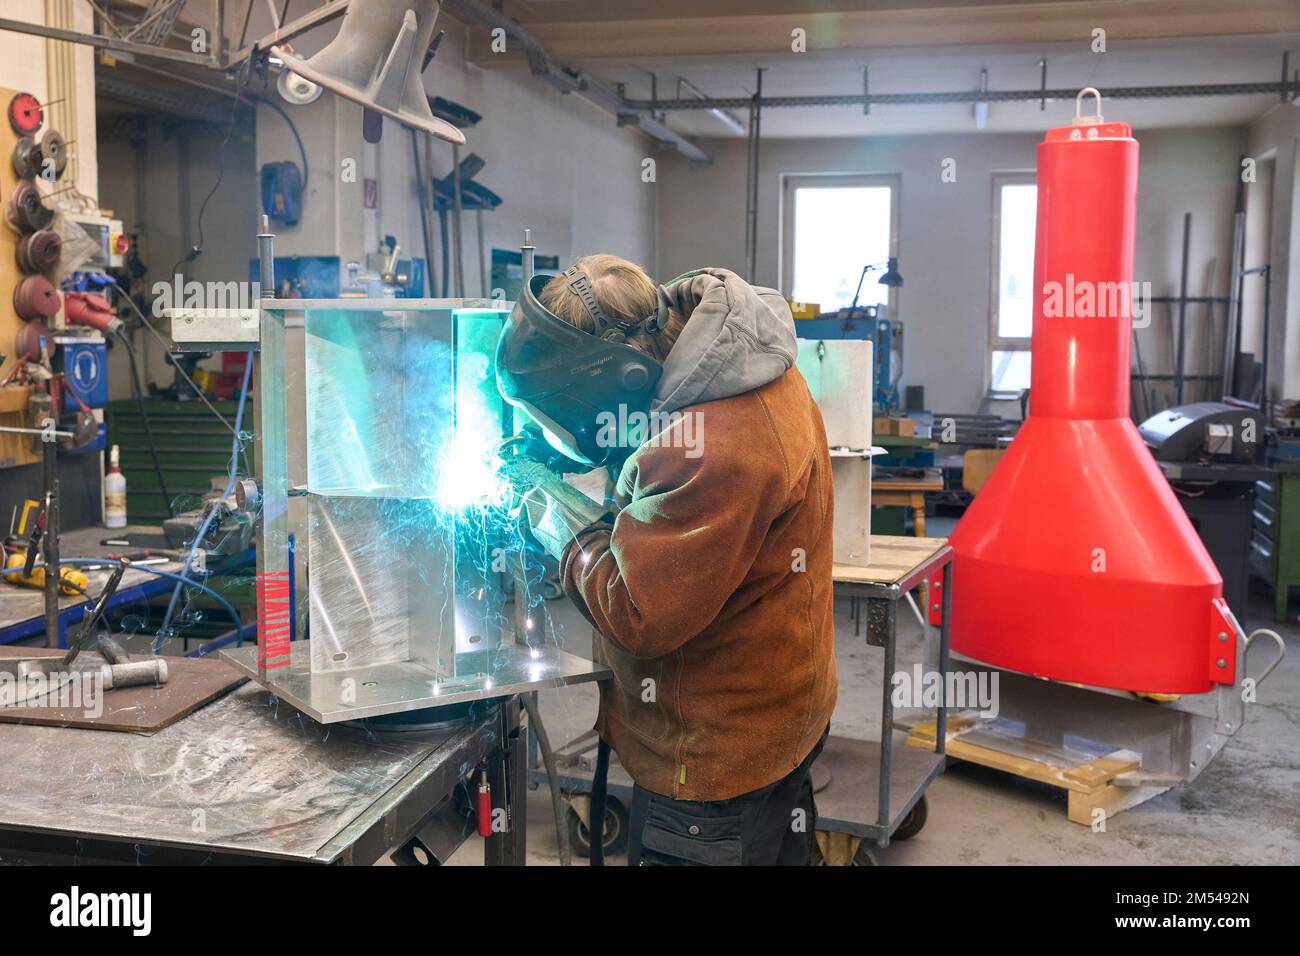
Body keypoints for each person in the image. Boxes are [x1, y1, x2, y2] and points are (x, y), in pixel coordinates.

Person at [497, 252, 836, 865]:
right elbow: (659, 426)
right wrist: (575, 450)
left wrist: (555, 512)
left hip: (714, 752)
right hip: (781, 711)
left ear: (623, 374)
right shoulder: (733, 355)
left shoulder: (713, 449)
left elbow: (638, 612)